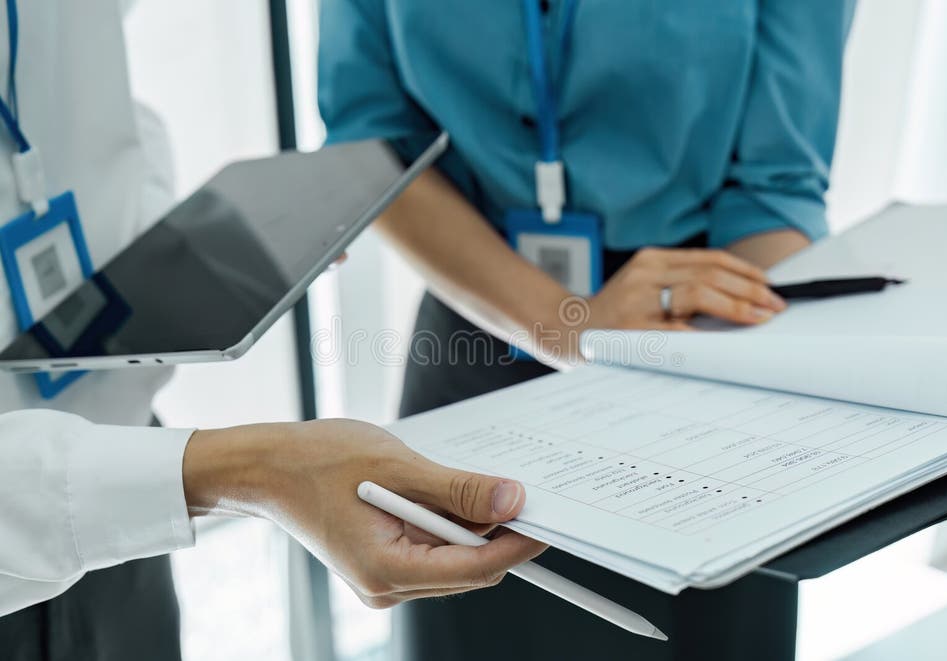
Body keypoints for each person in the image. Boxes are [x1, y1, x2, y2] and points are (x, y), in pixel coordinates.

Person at [0, 2, 545, 660]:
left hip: (127, 499)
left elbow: (101, 107)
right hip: (77, 504)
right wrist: (254, 470)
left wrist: (171, 241)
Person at [317, 0, 856, 658]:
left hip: (693, 327)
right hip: (477, 319)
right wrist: (563, 324)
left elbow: (777, 181)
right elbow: (370, 137)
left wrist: (737, 363)